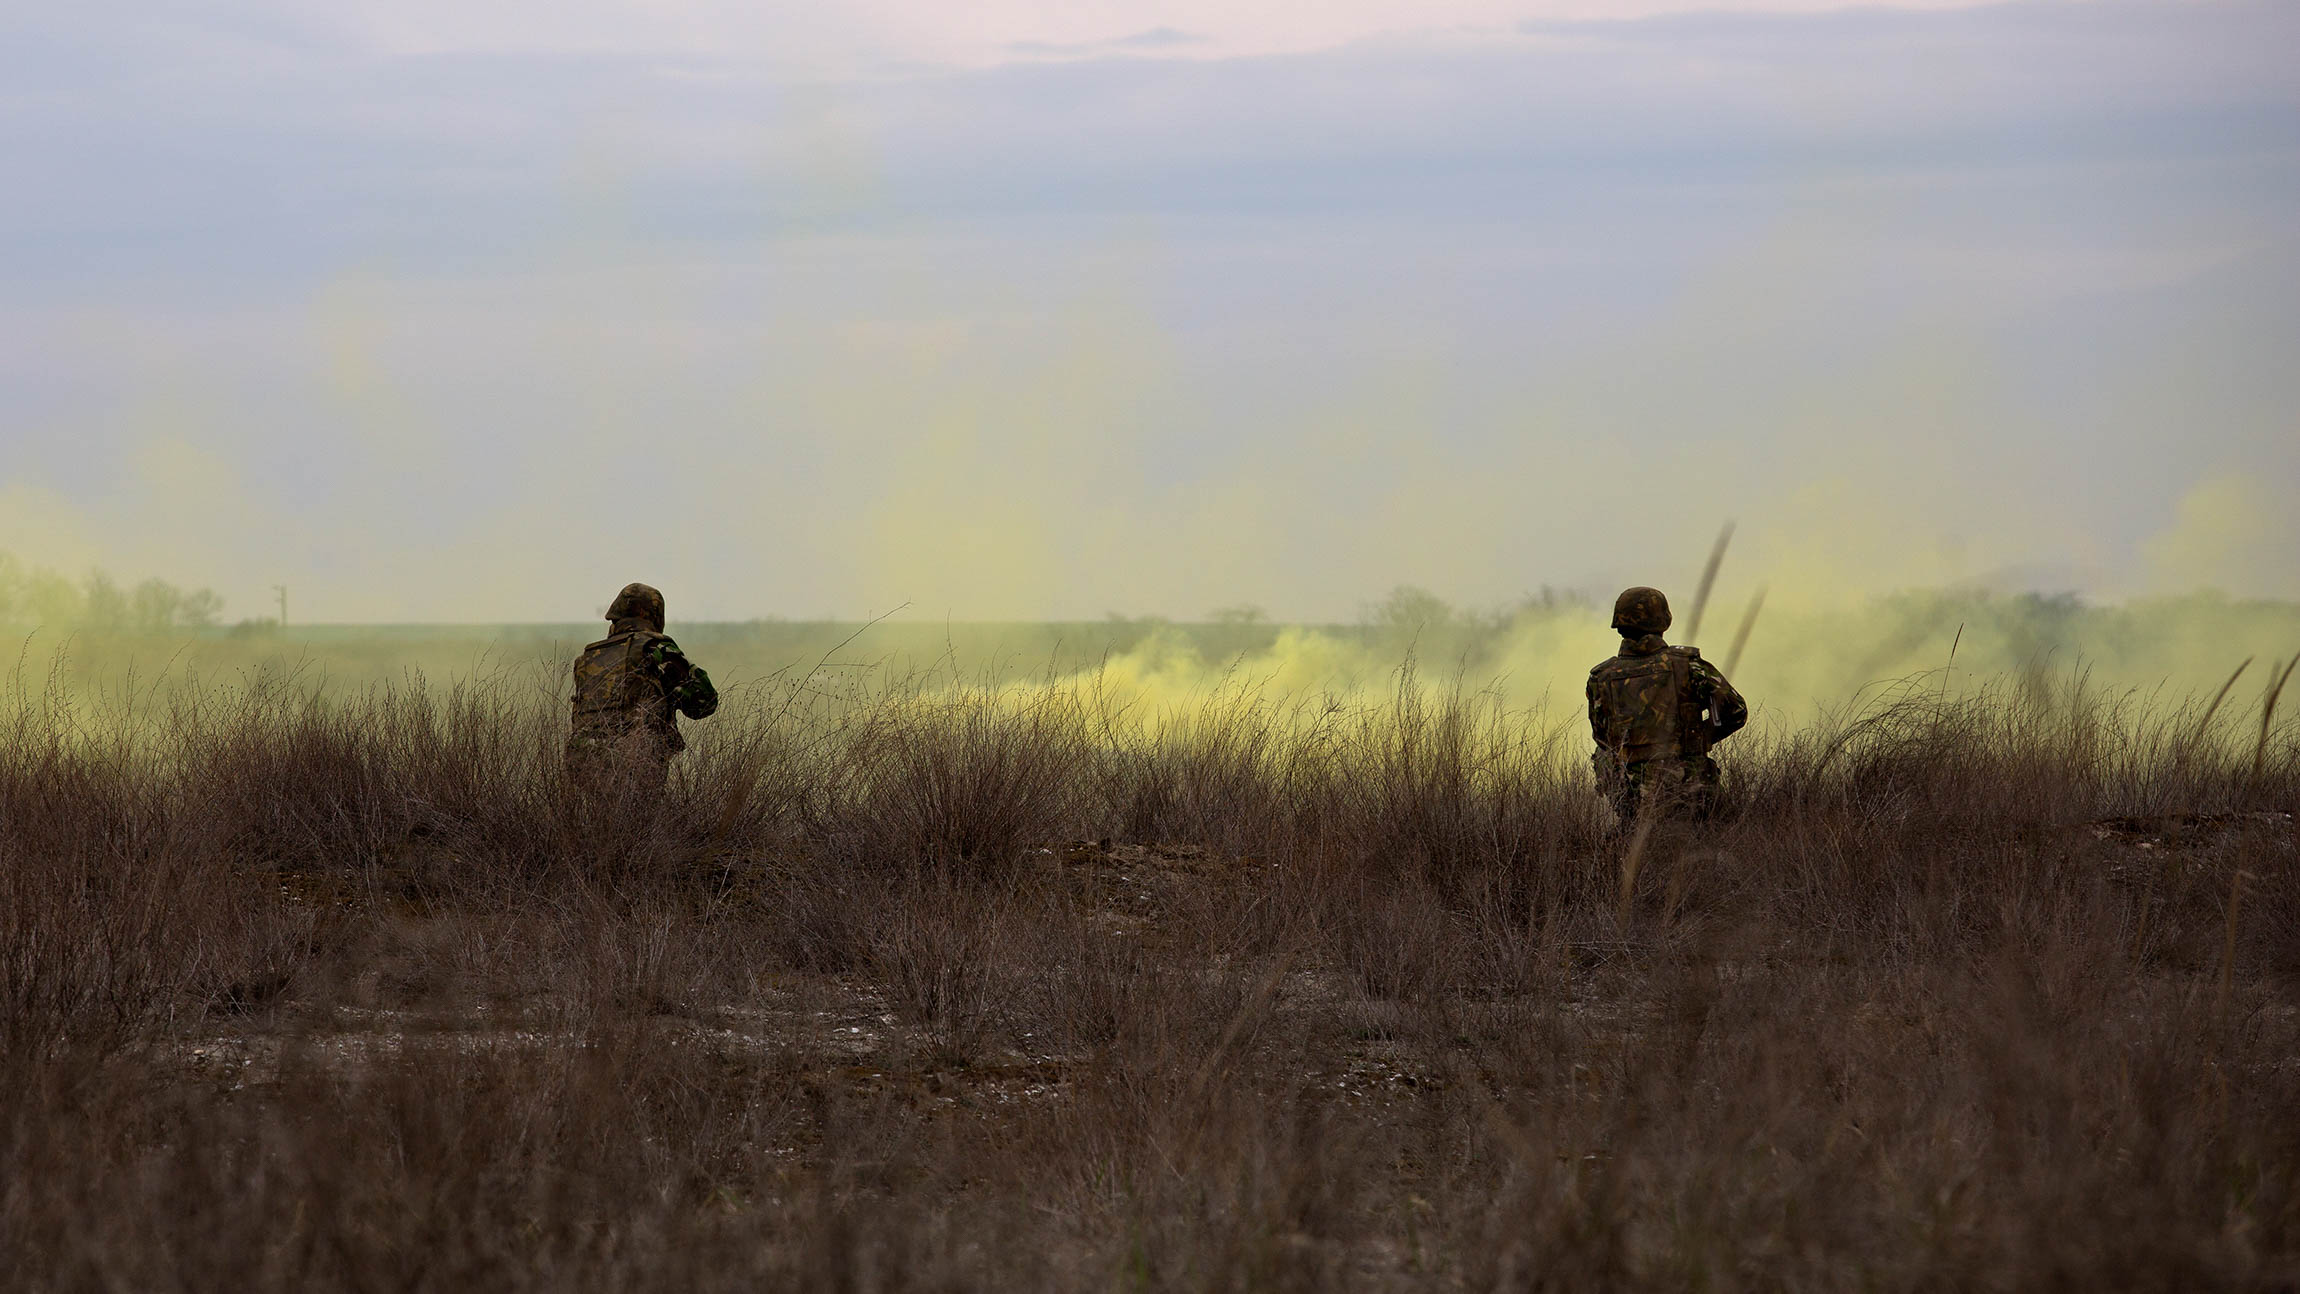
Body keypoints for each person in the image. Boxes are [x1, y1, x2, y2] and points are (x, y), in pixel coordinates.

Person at [1587, 586, 1747, 822]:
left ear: (1619, 624)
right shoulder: (1687, 665)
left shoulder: (1601, 677)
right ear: (1663, 620)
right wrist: (1699, 738)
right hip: (1692, 793)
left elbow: (1602, 738)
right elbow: (1736, 711)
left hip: (1633, 800)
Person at [565, 582, 718, 795]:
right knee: (641, 814)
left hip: (584, 762)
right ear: (654, 615)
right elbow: (704, 702)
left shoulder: (586, 659)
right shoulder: (653, 647)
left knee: (601, 814)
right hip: (637, 762)